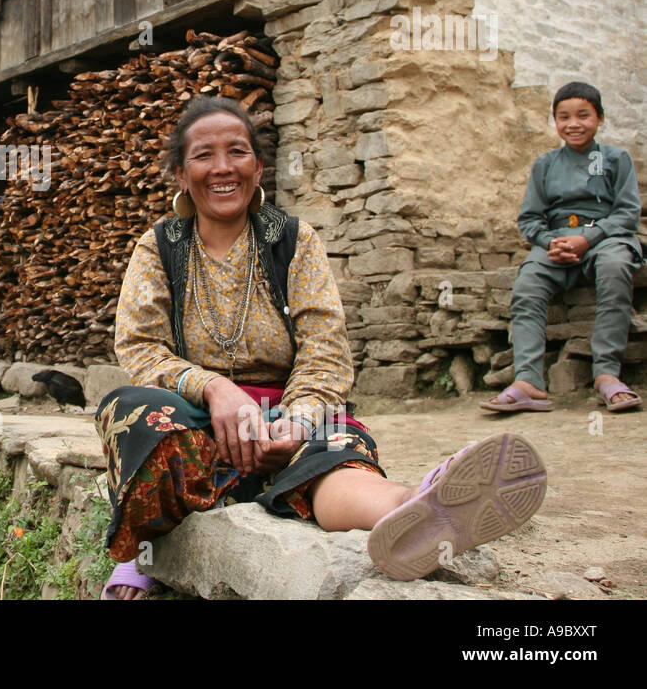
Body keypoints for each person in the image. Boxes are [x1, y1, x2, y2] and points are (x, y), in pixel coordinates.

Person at [98, 96, 548, 598]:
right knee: (134, 410)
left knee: (329, 456)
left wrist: (298, 421)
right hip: (201, 421)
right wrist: (215, 389)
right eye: (204, 156)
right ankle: (146, 549)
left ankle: (418, 506)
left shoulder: (292, 240)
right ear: (181, 175)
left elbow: (325, 352)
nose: (223, 168)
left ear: (258, 166)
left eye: (238, 152)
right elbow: (140, 347)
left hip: (291, 417)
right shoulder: (160, 246)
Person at [481, 82, 643, 413]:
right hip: (556, 243)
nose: (573, 124)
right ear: (555, 122)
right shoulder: (545, 165)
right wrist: (550, 242)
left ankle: (607, 375)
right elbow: (529, 220)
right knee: (527, 285)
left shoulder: (617, 159)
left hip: (607, 238)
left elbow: (626, 212)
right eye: (563, 117)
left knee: (614, 269)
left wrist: (589, 238)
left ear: (599, 118)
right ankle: (528, 382)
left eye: (583, 115)